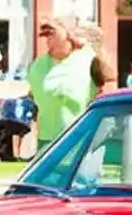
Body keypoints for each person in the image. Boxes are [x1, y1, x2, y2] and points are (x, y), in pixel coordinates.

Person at [27, 16, 115, 151]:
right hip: (47, 140)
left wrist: (84, 45)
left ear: (69, 33)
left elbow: (110, 75)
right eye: (46, 33)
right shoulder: (38, 66)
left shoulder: (86, 57)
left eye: (53, 30)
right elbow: (33, 97)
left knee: (86, 173)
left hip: (83, 137)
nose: (48, 36)